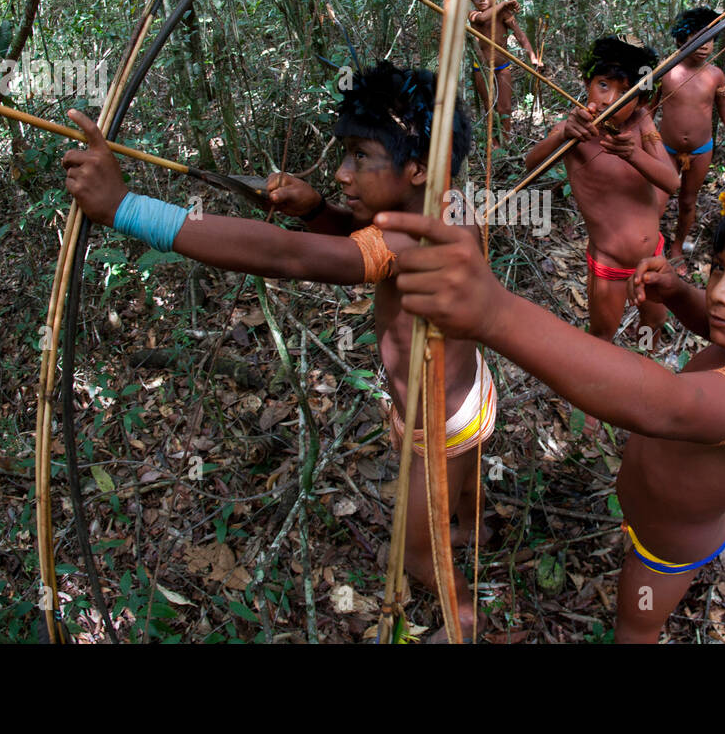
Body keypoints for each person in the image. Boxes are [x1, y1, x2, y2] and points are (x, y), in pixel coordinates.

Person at [61, 61, 490, 640]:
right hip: (468, 398)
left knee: (417, 554)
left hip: (439, 425)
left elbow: (287, 256)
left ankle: (466, 620)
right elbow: (366, 242)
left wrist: (127, 209)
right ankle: (464, 526)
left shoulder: (407, 239)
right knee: (460, 496)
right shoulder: (446, 211)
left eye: (361, 157)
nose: (342, 173)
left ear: (416, 167)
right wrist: (317, 211)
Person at [376, 160, 725, 643]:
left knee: (635, 622)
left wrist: (497, 315)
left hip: (669, 544)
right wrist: (678, 293)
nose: (719, 292)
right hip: (656, 505)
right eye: (717, 268)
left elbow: (669, 404)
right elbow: (714, 322)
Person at [524, 36, 678, 345]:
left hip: (654, 256)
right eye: (603, 85)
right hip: (610, 264)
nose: (611, 100)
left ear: (641, 99)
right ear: (587, 82)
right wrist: (562, 137)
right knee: (602, 335)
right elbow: (531, 164)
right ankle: (602, 384)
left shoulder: (641, 122)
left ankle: (645, 359)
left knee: (655, 319)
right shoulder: (573, 129)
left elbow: (672, 182)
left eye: (626, 92)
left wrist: (634, 153)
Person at [658, 6, 725, 261]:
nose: (705, 45)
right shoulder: (664, 71)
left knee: (688, 202)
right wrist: (641, 142)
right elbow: (646, 111)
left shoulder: (715, 76)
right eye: (697, 37)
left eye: (711, 38)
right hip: (666, 149)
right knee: (657, 199)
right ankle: (651, 245)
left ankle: (678, 247)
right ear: (681, 39)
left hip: (701, 150)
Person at [468, 0, 542, 144]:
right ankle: (494, 144)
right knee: (490, 109)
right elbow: (482, 19)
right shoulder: (472, 14)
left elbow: (521, 36)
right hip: (481, 68)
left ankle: (506, 141)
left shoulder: (504, 14)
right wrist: (503, 3)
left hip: (502, 67)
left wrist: (533, 57)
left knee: (505, 108)